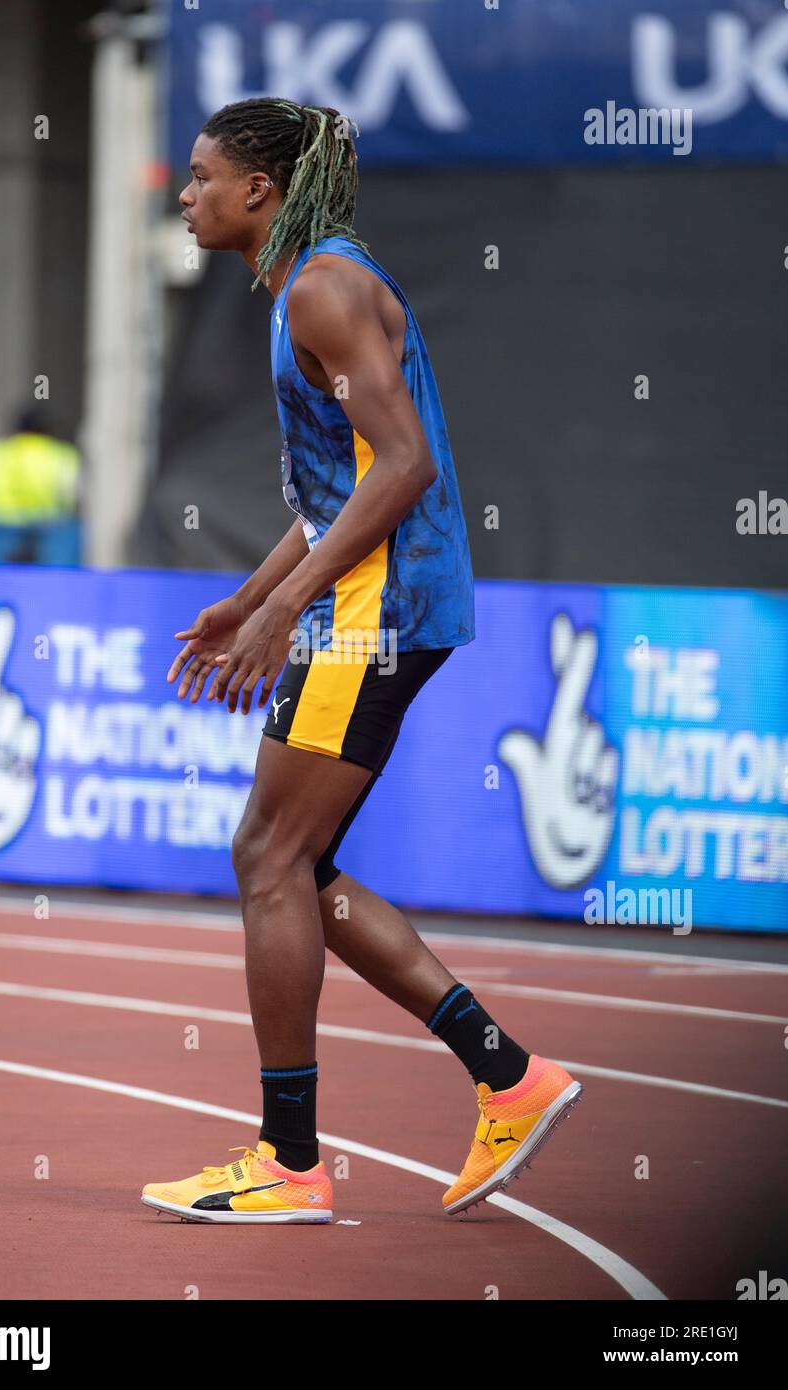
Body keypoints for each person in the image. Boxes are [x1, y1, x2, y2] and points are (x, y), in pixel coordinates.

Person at [141, 98, 581, 1224]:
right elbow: (340, 484)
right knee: (301, 865)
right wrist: (247, 599)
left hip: (373, 607)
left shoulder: (323, 290)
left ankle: (290, 1161)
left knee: (268, 854)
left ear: (260, 191)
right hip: (371, 598)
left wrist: (290, 604)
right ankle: (508, 1075)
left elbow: (407, 467)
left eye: (199, 178)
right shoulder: (307, 287)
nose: (185, 195)